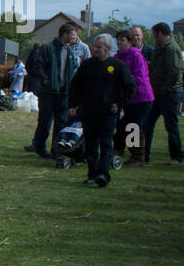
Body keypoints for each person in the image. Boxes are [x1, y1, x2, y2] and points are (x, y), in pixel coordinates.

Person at [68, 33, 135, 187]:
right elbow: (75, 86)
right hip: (89, 111)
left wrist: (120, 104)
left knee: (106, 143)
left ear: (108, 49)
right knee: (90, 145)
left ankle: (103, 174)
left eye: (99, 47)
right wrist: (72, 104)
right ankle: (92, 174)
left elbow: (130, 87)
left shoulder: (117, 66)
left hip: (108, 112)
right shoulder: (87, 65)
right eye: (95, 46)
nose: (95, 49)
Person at [25, 22, 85, 158]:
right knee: (45, 122)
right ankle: (40, 148)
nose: (75, 37)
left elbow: (74, 69)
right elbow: (37, 66)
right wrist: (46, 79)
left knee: (61, 123)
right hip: (48, 93)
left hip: (64, 93)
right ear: (65, 34)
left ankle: (57, 150)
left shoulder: (69, 51)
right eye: (72, 34)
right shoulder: (48, 48)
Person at [144, 22, 183, 166]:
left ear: (160, 34)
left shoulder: (171, 49)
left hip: (169, 93)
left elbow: (173, 72)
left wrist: (163, 88)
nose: (153, 38)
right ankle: (142, 154)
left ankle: (177, 156)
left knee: (171, 126)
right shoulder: (161, 48)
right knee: (147, 123)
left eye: (154, 35)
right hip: (158, 92)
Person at [113, 30, 153, 167]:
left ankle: (139, 156)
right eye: (118, 40)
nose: (119, 42)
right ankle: (132, 153)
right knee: (125, 125)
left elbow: (140, 76)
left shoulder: (136, 55)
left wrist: (125, 83)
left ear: (130, 42)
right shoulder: (117, 57)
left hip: (141, 97)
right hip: (127, 98)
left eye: (122, 40)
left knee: (134, 126)